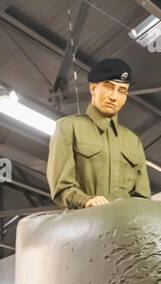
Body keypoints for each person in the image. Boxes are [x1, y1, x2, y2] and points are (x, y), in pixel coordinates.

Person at [47, 58, 149, 209]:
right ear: (93, 88)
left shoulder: (133, 141)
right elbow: (61, 187)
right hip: (82, 225)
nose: (114, 97)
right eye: (109, 87)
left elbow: (143, 198)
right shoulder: (68, 128)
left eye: (122, 91)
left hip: (123, 228)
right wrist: (86, 200)